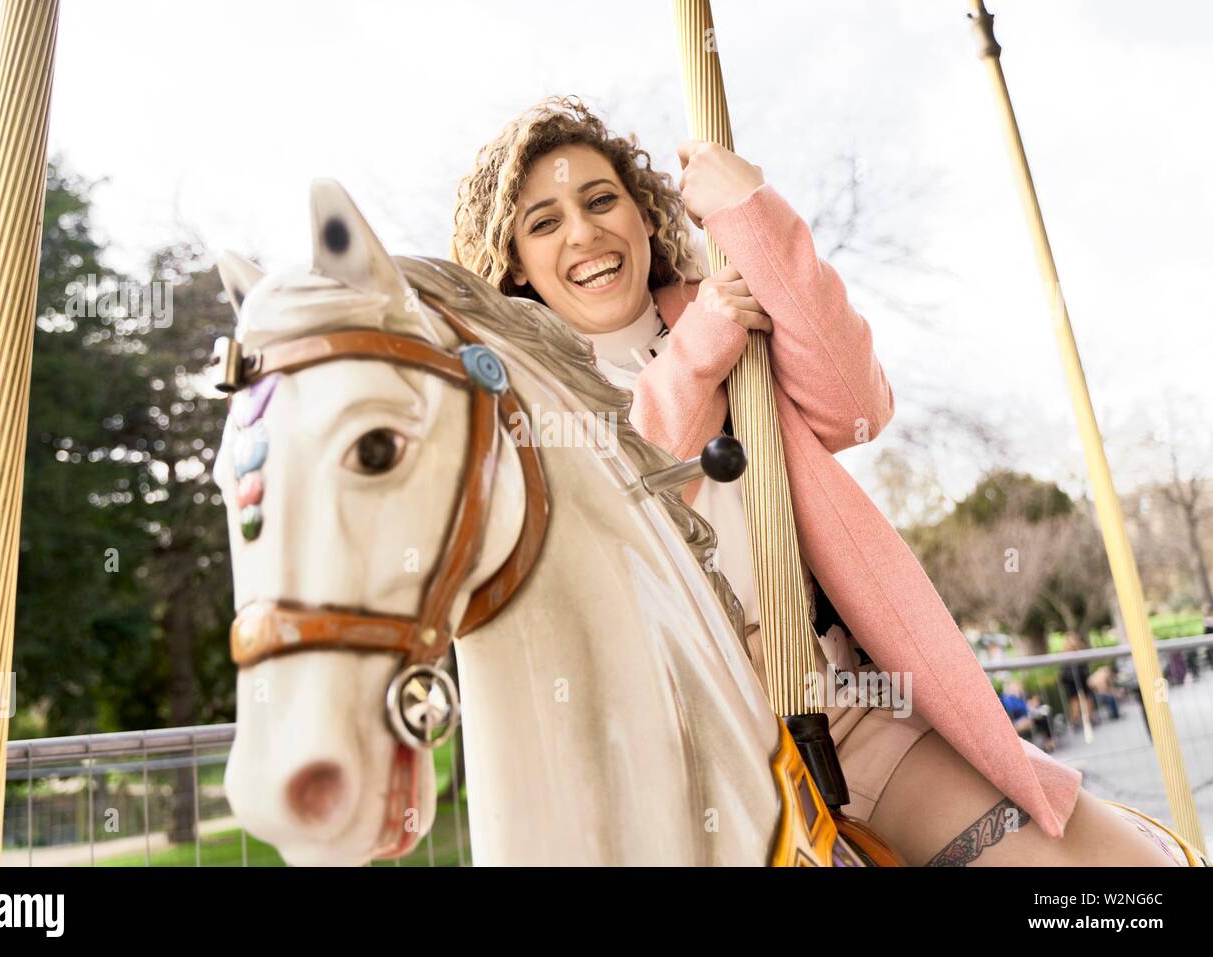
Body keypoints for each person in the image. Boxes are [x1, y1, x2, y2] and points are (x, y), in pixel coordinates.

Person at [449, 95, 1177, 865]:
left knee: (1098, 862)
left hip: (849, 717)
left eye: (601, 200)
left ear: (644, 216)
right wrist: (701, 351)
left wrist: (752, 217)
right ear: (516, 267)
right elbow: (622, 496)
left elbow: (857, 406)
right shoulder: (525, 399)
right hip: (698, 765)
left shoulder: (721, 301)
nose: (584, 231)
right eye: (544, 221)